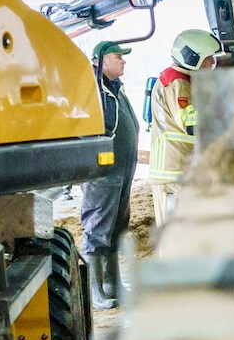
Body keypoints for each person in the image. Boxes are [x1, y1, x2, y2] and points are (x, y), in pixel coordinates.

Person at [80, 41, 138, 309]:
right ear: (102, 60)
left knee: (117, 226)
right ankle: (95, 292)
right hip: (103, 170)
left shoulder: (115, 87)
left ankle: (113, 284)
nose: (124, 61)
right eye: (118, 57)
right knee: (98, 227)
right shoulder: (91, 88)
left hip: (122, 168)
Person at [148, 29, 221, 225]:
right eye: (207, 58)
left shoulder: (182, 80)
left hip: (179, 168)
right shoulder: (177, 82)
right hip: (172, 171)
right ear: (192, 57)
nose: (211, 63)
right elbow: (191, 124)